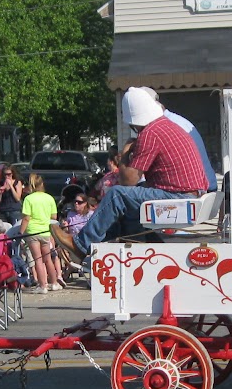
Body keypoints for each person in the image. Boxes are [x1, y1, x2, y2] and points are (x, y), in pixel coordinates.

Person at [69, 87, 211, 257]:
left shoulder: (150, 133)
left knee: (118, 195)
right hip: (191, 195)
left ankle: (81, 244)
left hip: (180, 198)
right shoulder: (167, 126)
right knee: (131, 198)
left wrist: (125, 153)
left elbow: (127, 181)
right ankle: (127, 242)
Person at [20, 173, 63, 293]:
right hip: (45, 231)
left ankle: (43, 285)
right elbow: (54, 216)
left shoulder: (29, 199)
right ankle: (54, 283)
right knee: (48, 258)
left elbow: (26, 218)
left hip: (33, 231)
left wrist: (20, 232)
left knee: (38, 259)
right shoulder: (49, 198)